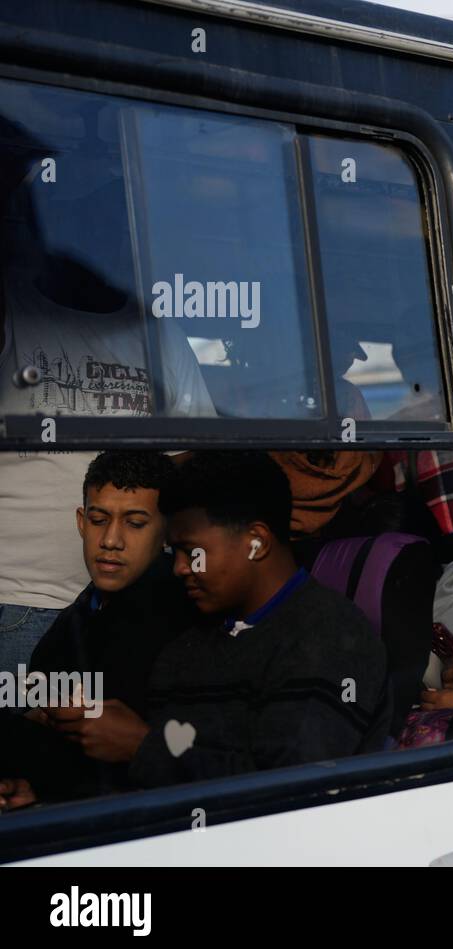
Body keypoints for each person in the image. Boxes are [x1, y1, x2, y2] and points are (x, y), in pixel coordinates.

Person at [0, 111, 214, 676]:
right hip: (17, 605)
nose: (112, 247)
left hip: (123, 612)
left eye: (127, 232)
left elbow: (187, 464)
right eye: (94, 229)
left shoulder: (159, 336)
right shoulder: (15, 313)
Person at [96, 451, 387, 788]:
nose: (179, 568)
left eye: (193, 552)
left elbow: (289, 788)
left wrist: (141, 748)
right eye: (173, 552)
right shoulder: (192, 634)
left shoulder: (331, 639)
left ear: (255, 542)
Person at [0, 451, 197, 810]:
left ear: (168, 530)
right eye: (98, 519)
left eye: (135, 523)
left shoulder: (177, 620)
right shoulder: (87, 607)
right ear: (80, 521)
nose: (110, 540)